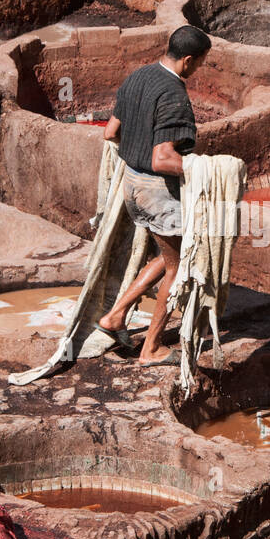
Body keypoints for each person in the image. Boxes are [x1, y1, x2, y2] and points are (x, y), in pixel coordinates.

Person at [96, 25, 211, 365]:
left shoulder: (139, 75)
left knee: (168, 256)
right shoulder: (174, 95)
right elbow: (162, 158)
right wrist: (206, 169)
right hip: (157, 192)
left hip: (131, 186)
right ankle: (151, 348)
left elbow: (110, 131)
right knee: (178, 266)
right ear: (188, 60)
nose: (198, 69)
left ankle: (115, 316)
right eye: (200, 63)